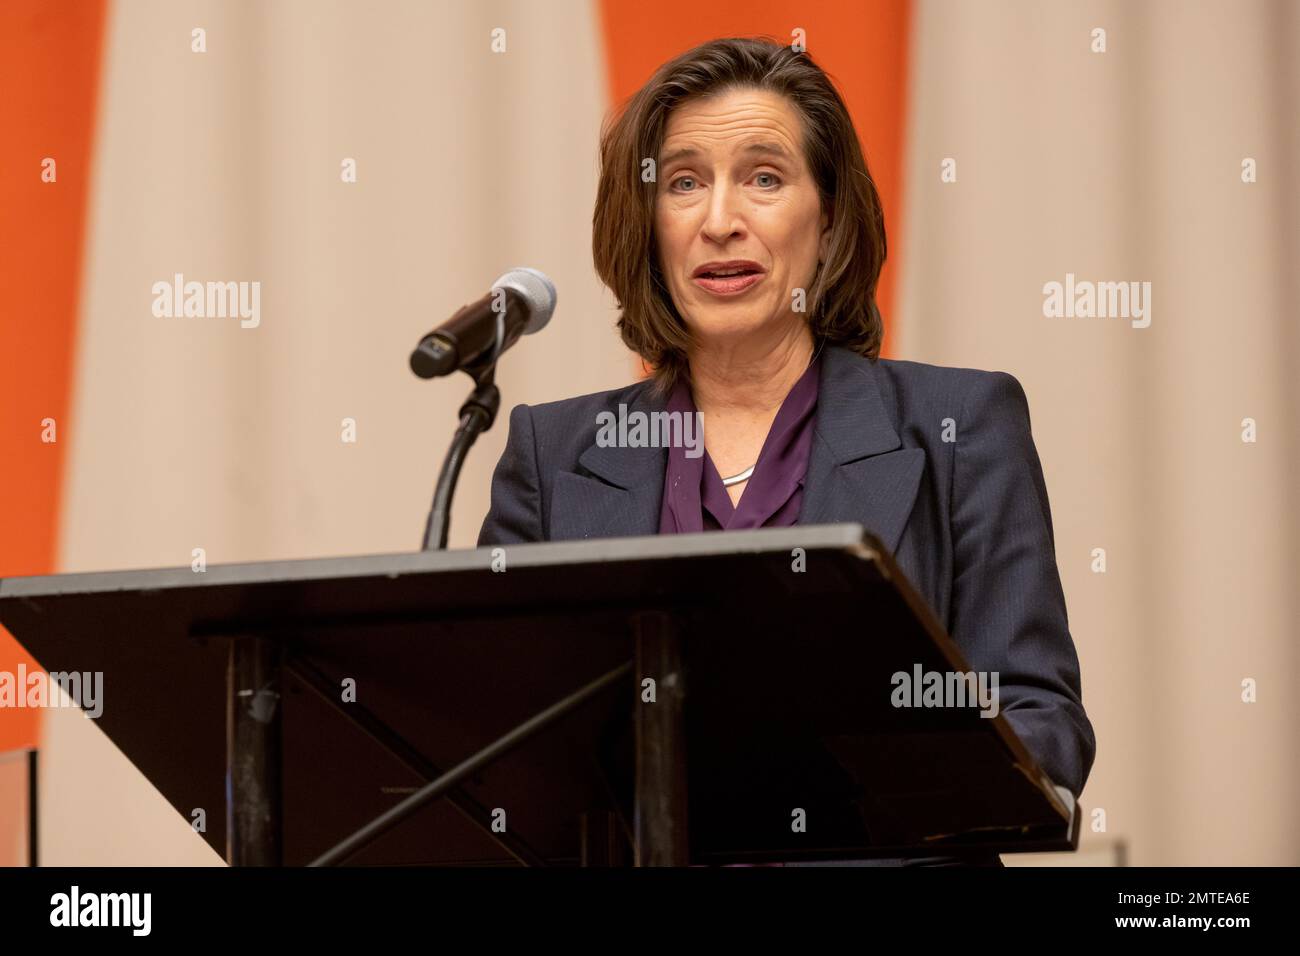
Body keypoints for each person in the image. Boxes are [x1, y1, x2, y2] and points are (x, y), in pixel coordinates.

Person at [478, 37, 1095, 865]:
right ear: (647, 220)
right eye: (684, 182)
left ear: (830, 215)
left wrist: (820, 772)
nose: (719, 220)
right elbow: (491, 747)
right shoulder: (552, 454)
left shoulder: (962, 423)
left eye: (765, 178)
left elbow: (1039, 722)